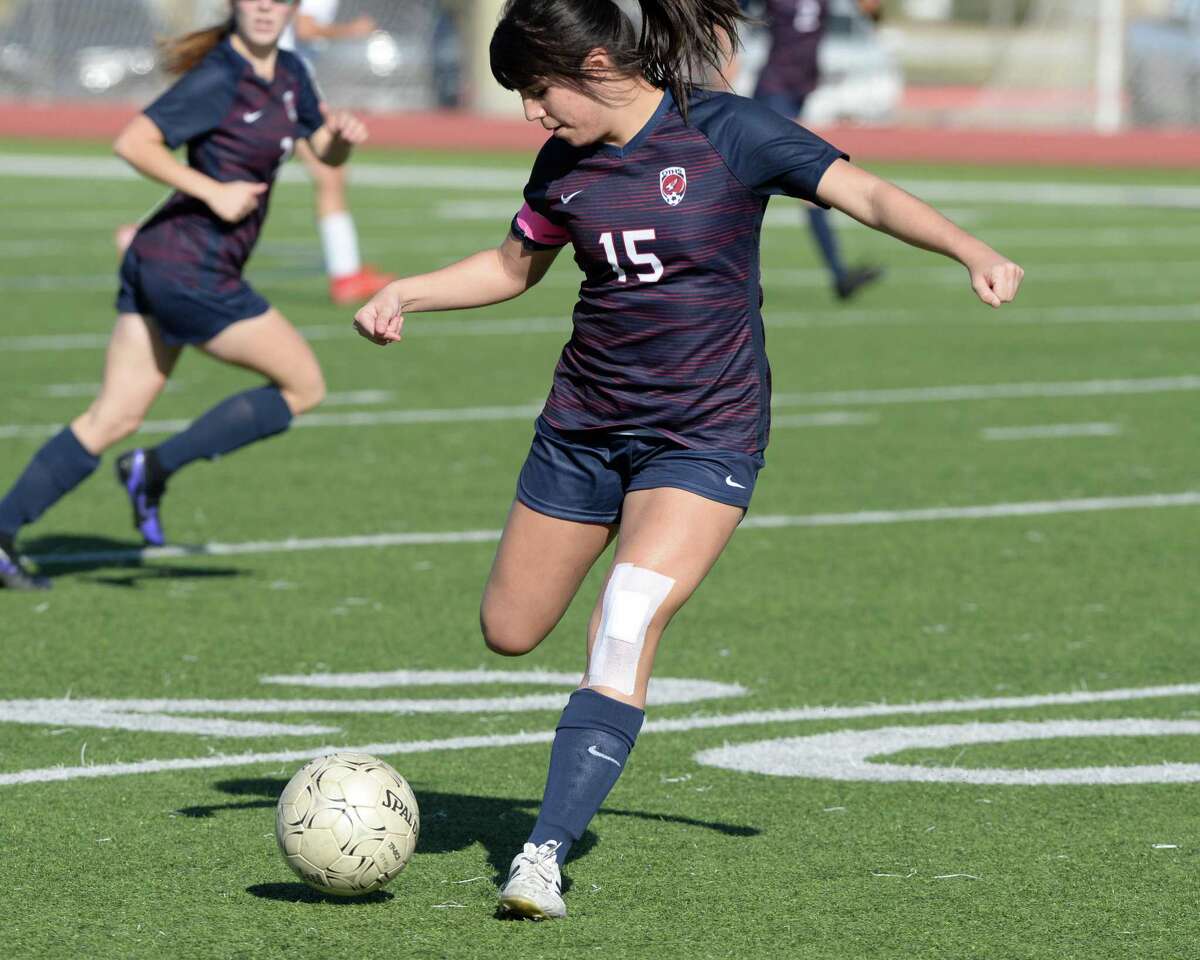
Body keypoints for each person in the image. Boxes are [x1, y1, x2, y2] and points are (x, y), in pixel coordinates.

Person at [352, 0, 1023, 919]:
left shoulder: (728, 131)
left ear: (593, 65)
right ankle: (561, 796)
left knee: (625, 617)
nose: (529, 116)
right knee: (510, 628)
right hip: (581, 429)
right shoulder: (563, 163)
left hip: (704, 433)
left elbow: (861, 191)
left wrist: (967, 247)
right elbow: (514, 268)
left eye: (536, 91)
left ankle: (541, 855)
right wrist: (408, 292)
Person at [0, 0, 368, 590]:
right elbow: (134, 141)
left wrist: (343, 139)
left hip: (160, 259)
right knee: (304, 385)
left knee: (114, 415)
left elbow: (322, 150)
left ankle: (2, 531)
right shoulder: (221, 76)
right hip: (191, 270)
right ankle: (154, 467)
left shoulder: (293, 74)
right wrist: (212, 191)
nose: (267, 7)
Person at [750, 0, 885, 299]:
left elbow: (871, 9)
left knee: (794, 184)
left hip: (797, 92)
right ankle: (838, 274)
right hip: (775, 92)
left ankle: (839, 275)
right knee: (805, 179)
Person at [279, 0, 397, 305]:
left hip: (286, 80)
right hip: (284, 83)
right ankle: (346, 276)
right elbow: (304, 28)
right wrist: (352, 30)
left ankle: (346, 273)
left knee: (328, 173)